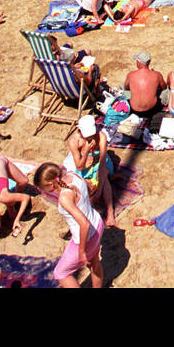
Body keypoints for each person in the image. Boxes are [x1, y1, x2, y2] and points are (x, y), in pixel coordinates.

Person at [33, 161, 104, 289]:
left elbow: (84, 224)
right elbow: (88, 191)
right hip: (97, 224)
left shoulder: (65, 197)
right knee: (94, 261)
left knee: (61, 273)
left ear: (51, 184)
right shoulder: (74, 175)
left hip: (85, 237)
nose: (44, 192)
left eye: (44, 189)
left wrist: (81, 251)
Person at [65, 116, 117, 227]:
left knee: (105, 179)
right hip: (85, 165)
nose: (91, 137)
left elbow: (102, 164)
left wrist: (100, 187)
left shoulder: (101, 136)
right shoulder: (75, 141)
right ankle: (89, 210)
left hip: (99, 163)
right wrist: (87, 150)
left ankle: (110, 211)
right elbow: (79, 166)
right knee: (82, 186)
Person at [123, 51, 166, 120]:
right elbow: (164, 87)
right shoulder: (157, 75)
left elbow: (126, 88)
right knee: (166, 90)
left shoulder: (131, 74)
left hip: (134, 110)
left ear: (139, 62)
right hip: (151, 110)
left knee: (124, 88)